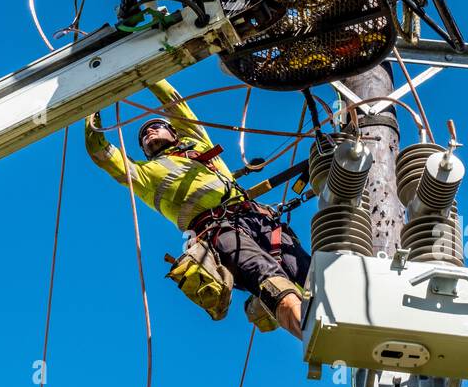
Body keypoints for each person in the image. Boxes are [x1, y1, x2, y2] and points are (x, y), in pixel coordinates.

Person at [85, 78, 311, 337]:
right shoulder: (145, 175)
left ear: (175, 133)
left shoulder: (198, 143)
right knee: (267, 278)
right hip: (219, 231)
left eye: (156, 126)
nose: (148, 132)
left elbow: (175, 103)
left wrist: (143, 74)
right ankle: (313, 333)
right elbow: (100, 152)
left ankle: (353, 317)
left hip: (258, 218)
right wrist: (94, 108)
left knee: (309, 271)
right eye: (143, 136)